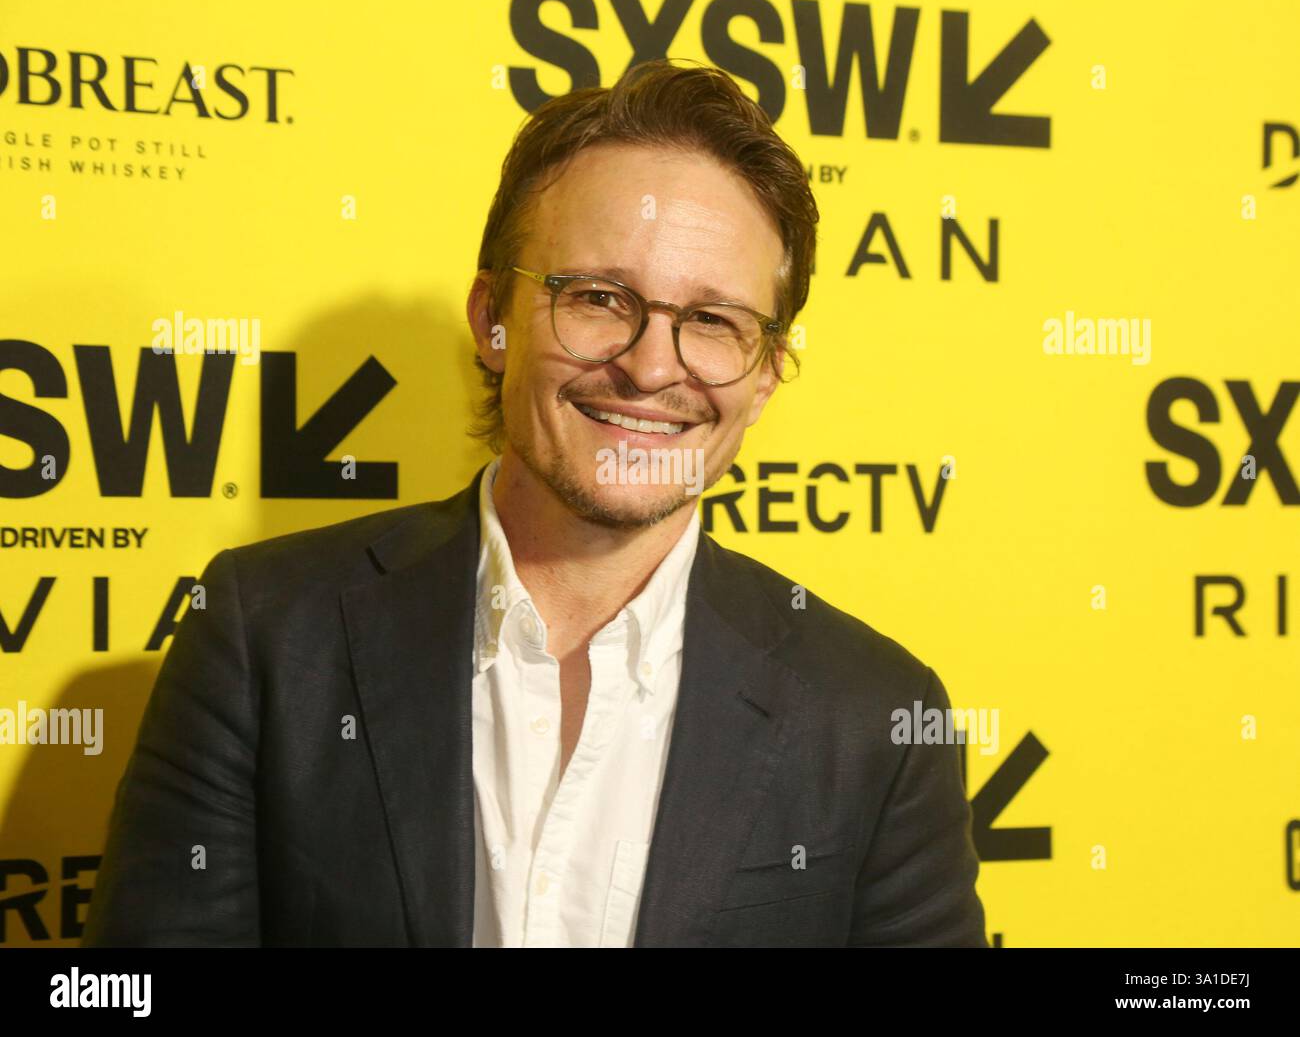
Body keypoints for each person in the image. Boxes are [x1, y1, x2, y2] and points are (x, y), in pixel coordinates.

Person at [82, 59, 987, 948]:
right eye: (598, 298)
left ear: (767, 374)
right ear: (491, 319)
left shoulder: (876, 719)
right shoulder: (267, 636)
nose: (651, 365)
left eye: (714, 321)